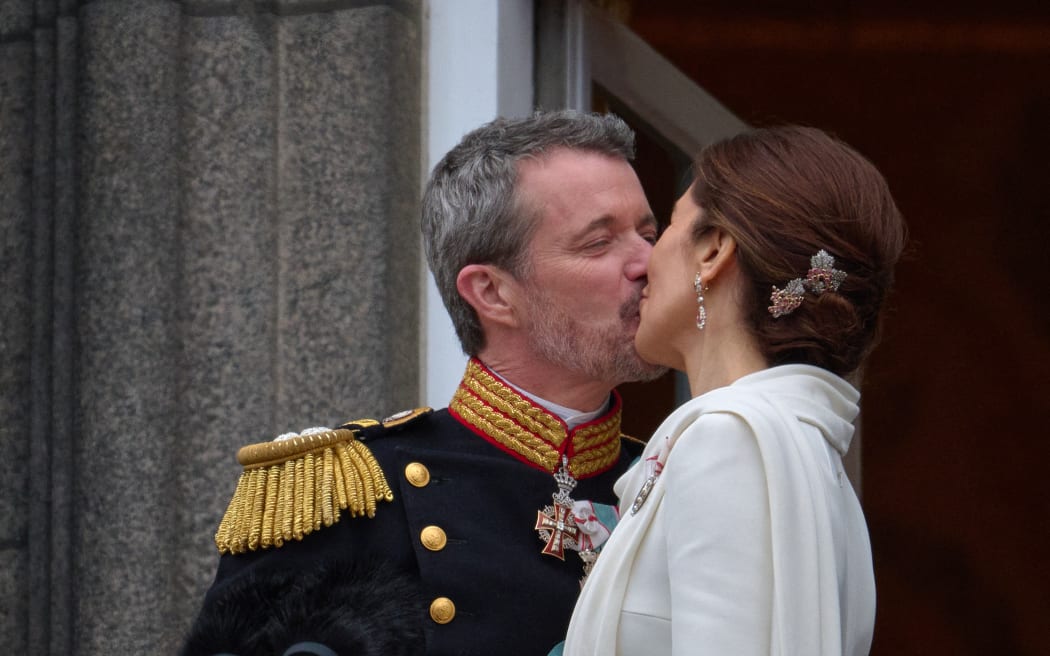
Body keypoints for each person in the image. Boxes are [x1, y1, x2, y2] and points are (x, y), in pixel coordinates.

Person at [181, 109, 665, 656]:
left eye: (649, 233)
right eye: (599, 243)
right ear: (492, 293)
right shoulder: (346, 495)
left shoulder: (672, 478)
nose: (650, 263)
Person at [561, 125, 906, 655]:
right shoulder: (801, 448)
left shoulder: (729, 441)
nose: (642, 265)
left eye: (666, 228)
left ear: (714, 251)